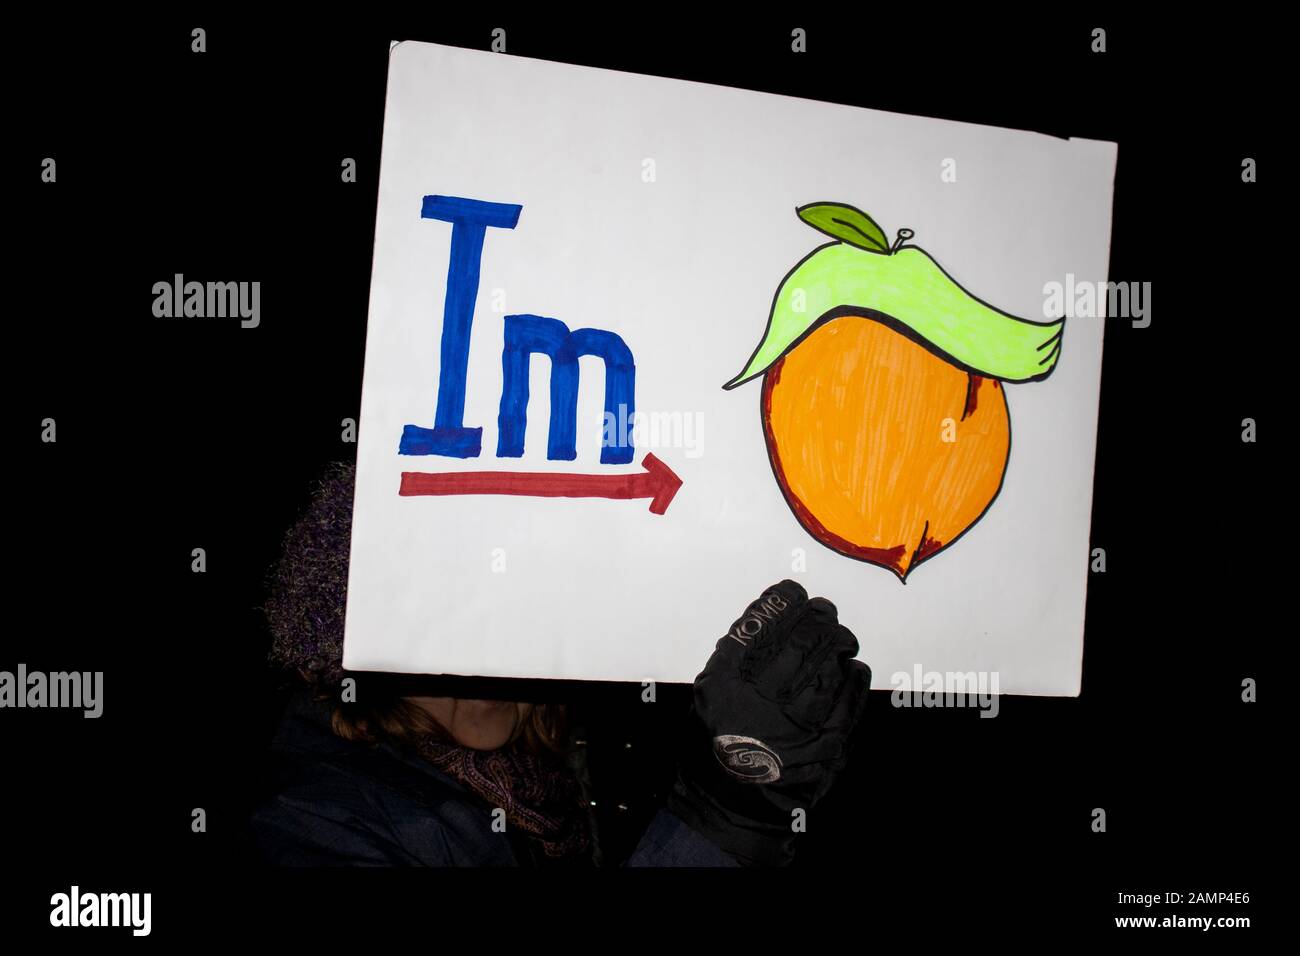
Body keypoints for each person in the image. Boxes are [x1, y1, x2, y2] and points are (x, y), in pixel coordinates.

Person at [251, 461, 871, 866]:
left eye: (504, 605)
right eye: (435, 626)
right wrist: (724, 821)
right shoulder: (314, 820)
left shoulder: (563, 774)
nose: (484, 658)